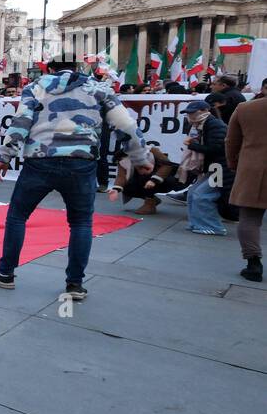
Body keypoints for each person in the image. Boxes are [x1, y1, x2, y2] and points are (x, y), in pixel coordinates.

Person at [0, 58, 153, 301]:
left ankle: (5, 273)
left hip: (40, 160)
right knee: (81, 223)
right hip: (81, 161)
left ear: (49, 69)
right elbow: (126, 125)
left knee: (17, 216)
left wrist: (5, 157)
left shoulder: (35, 87)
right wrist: (140, 158)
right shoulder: (99, 88)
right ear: (78, 67)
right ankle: (75, 284)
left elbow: (20, 123)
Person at [226, 90, 266, 281]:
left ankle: (253, 263)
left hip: (254, 168)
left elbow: (231, 141)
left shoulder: (246, 108)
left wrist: (233, 163)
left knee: (250, 218)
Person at [179, 100, 228, 236]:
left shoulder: (214, 125)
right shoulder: (201, 125)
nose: (190, 116)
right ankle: (197, 223)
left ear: (204, 111)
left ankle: (213, 227)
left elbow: (216, 148)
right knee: (193, 193)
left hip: (221, 167)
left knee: (202, 195)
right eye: (189, 113)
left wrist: (192, 145)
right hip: (214, 166)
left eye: (193, 112)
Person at [109, 145, 181, 214]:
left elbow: (167, 165)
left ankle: (149, 202)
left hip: (166, 178)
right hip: (143, 179)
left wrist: (154, 180)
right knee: (127, 187)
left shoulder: (151, 151)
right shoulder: (122, 159)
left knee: (146, 178)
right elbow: (121, 176)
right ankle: (152, 200)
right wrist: (116, 189)